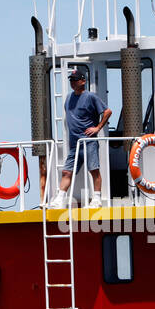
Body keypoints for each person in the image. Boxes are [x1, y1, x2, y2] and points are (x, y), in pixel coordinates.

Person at [48, 64, 112, 209]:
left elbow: (107, 111)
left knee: (93, 169)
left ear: (83, 81)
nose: (73, 82)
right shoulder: (69, 98)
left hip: (88, 141)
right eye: (71, 80)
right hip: (74, 143)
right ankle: (60, 199)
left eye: (75, 80)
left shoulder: (90, 96)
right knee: (66, 171)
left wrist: (98, 128)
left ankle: (96, 199)